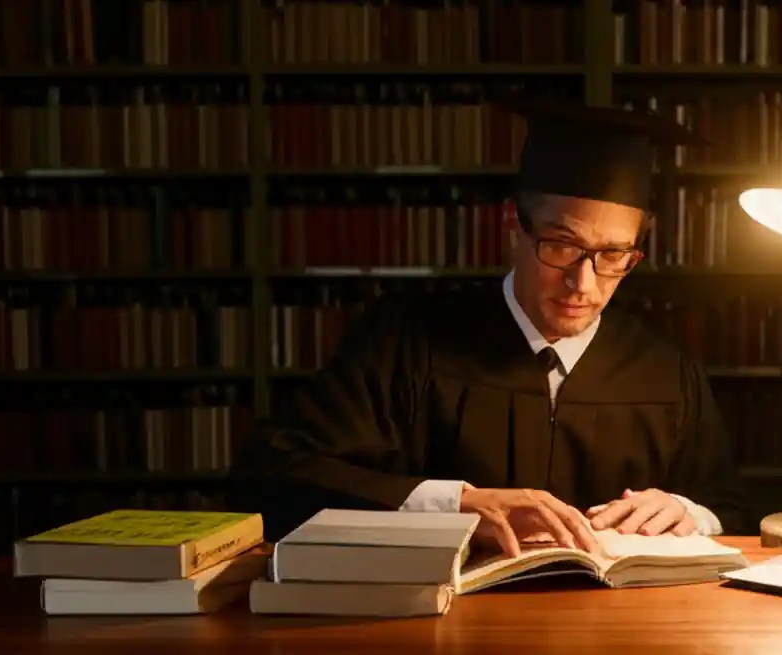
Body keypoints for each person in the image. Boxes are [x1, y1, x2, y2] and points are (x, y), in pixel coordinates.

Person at [230, 98, 748, 556]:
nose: (582, 284)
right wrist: (455, 504)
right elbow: (279, 477)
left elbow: (729, 506)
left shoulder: (664, 368)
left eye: (612, 255)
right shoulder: (406, 341)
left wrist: (686, 511)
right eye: (560, 246)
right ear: (513, 229)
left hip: (612, 635)